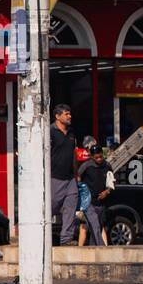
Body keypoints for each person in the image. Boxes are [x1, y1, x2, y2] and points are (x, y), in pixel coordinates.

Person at [49, 104, 80, 245]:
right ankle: (41, 235)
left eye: (70, 113)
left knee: (70, 209)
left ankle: (66, 239)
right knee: (51, 208)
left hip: (70, 179)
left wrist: (76, 174)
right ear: (57, 116)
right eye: (66, 114)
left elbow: (73, 154)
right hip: (55, 177)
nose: (70, 116)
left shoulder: (72, 133)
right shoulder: (50, 132)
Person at [77, 145, 112, 246]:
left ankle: (94, 250)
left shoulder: (107, 165)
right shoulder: (86, 166)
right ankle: (101, 247)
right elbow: (78, 178)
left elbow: (111, 182)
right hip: (89, 202)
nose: (99, 159)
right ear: (92, 157)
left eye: (100, 156)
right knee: (95, 225)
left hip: (101, 202)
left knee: (98, 227)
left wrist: (107, 192)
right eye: (96, 157)